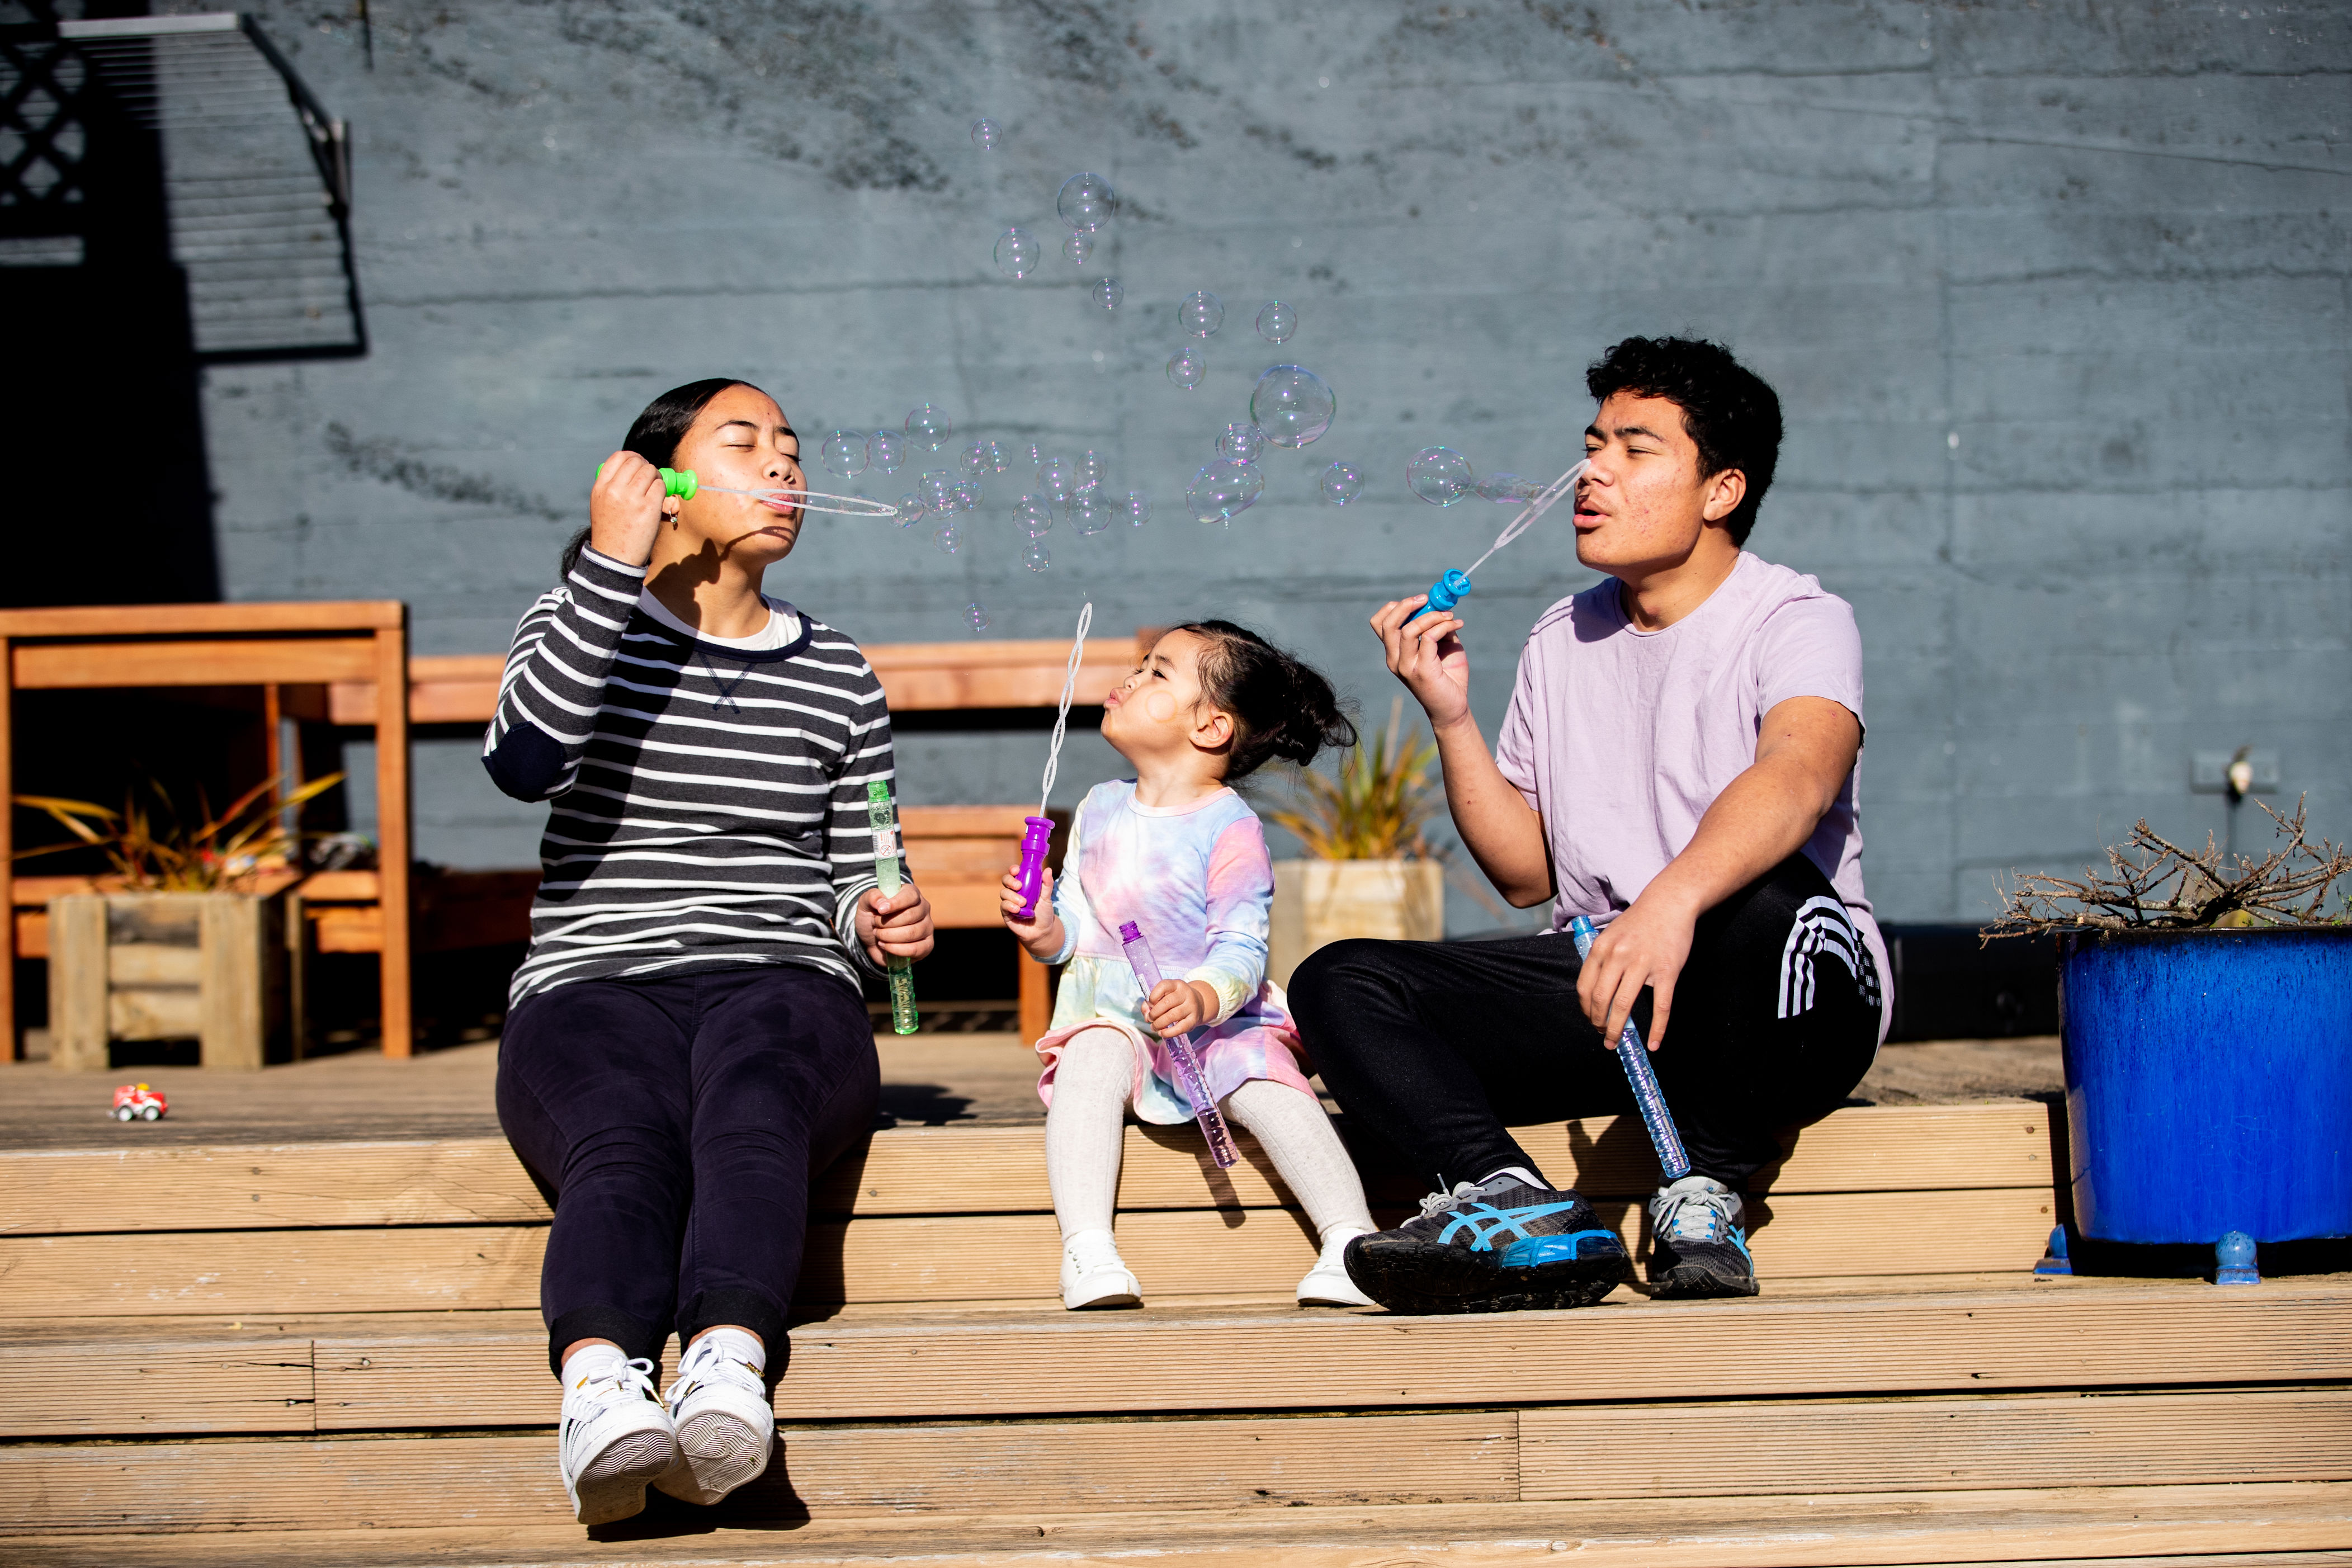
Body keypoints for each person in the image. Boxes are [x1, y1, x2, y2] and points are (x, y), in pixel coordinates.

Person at [1290, 336, 1886, 1314]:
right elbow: (1527, 871)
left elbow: (1799, 775)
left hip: (1783, 993)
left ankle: (1704, 1191)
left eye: (1634, 448)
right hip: (1614, 980)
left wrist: (1670, 902)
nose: (1590, 471)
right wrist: (1448, 714)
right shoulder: (1561, 637)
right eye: (1591, 443)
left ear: (1721, 489)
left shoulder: (1797, 617)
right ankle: (1511, 1198)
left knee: (1762, 894)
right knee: (1339, 979)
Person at [482, 379, 934, 1525]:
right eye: (745, 445)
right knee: (624, 1133)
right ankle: (599, 1388)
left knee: (754, 1103)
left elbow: (855, 868)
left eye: (792, 447)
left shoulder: (840, 672)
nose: (785, 468)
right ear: (663, 484)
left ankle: (727, 1368)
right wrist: (605, 561)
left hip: (780, 979)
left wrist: (876, 926)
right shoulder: (578, 619)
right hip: (594, 979)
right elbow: (524, 759)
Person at [1002, 622, 1380, 1311]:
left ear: (1210, 726)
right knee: (1086, 1061)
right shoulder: (1099, 805)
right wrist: (1046, 930)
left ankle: (1351, 1241)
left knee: (1265, 1082)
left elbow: (1241, 946)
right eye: (1142, 665)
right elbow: (1077, 930)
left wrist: (1203, 997)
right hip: (1112, 1015)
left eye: (1158, 671)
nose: (1132, 675)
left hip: (1215, 1024)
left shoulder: (1228, 825)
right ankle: (1088, 1248)